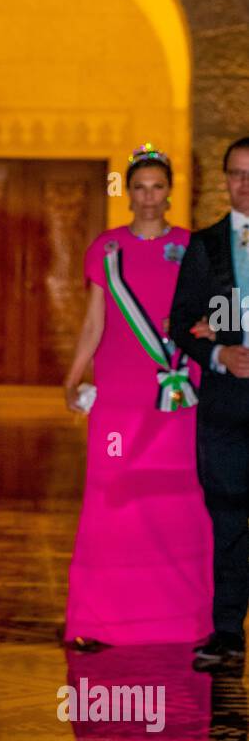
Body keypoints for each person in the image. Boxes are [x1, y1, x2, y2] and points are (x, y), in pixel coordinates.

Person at [63, 144, 213, 648]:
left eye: (158, 187)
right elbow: (94, 321)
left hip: (176, 389)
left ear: (170, 191)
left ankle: (182, 620)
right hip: (120, 392)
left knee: (178, 501)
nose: (149, 197)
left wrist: (197, 326)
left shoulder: (195, 249)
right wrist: (75, 371)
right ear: (128, 192)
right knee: (111, 498)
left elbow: (216, 317)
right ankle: (101, 620)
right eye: (140, 187)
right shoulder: (106, 250)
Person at [170, 135, 249, 666]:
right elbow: (182, 322)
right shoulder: (206, 245)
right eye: (236, 174)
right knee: (229, 521)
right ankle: (227, 633)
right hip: (226, 407)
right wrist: (219, 353)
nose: (245, 184)